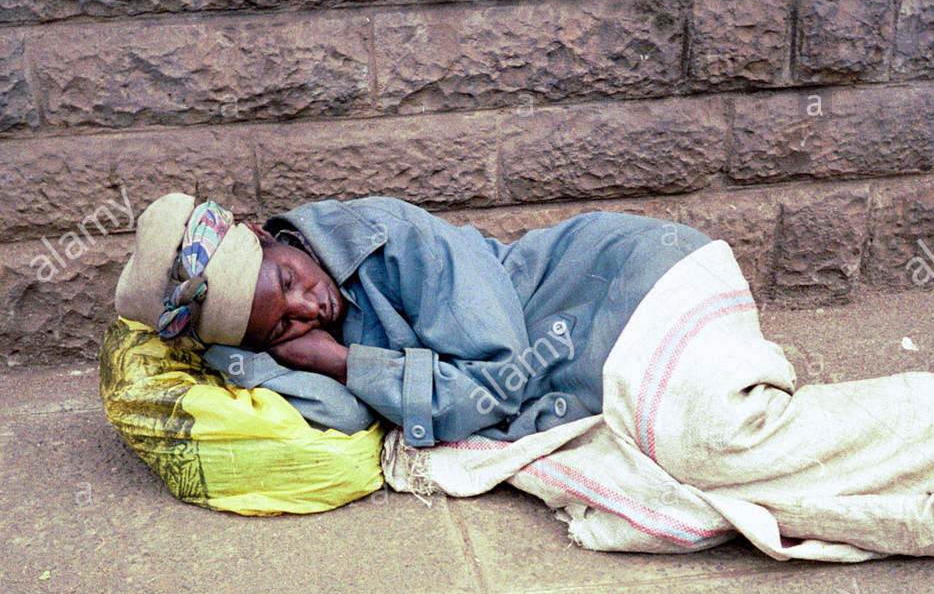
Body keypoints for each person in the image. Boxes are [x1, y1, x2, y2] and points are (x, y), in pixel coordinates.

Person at [114, 192, 711, 443]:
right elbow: (344, 415)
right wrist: (259, 357)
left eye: (290, 281)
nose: (309, 307)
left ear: (262, 235)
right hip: (575, 349)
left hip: (620, 280)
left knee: (710, 437)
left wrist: (342, 360)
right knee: (693, 437)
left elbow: (495, 389)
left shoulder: (391, 237)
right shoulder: (287, 340)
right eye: (282, 326)